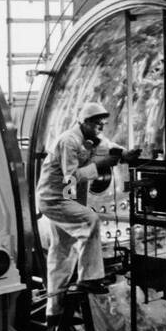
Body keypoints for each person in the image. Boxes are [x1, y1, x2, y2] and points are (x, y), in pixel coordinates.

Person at [37, 101, 140, 318]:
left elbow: (109, 146)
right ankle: (89, 278)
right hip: (55, 199)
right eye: (97, 124)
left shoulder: (91, 139)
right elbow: (71, 177)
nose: (101, 128)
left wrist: (125, 155)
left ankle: (54, 311)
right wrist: (102, 166)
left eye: (103, 124)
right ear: (85, 122)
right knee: (90, 221)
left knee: (62, 250)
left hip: (66, 200)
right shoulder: (69, 141)